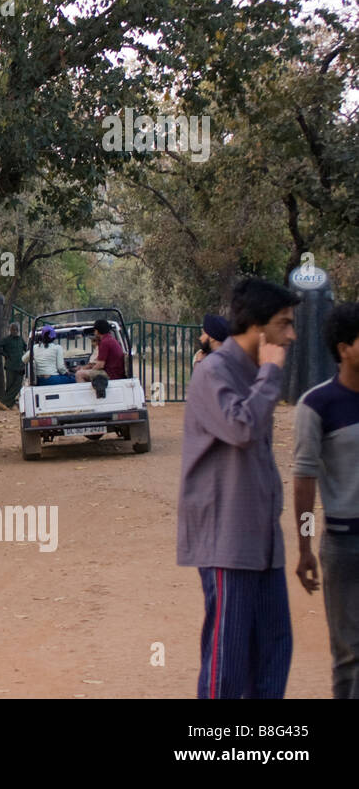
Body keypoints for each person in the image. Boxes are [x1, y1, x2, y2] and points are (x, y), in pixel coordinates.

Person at [177, 277, 298, 698]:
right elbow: (241, 428)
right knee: (228, 659)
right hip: (226, 540)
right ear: (259, 328)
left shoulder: (253, 373)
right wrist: (269, 375)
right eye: (285, 324)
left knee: (274, 646)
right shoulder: (215, 372)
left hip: (263, 540)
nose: (292, 334)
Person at [293, 302, 359, 698]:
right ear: (344, 348)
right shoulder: (316, 405)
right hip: (345, 546)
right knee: (350, 654)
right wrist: (304, 548)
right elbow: (304, 479)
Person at [74, 319, 127, 384]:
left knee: (79, 374)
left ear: (97, 331)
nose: (94, 332)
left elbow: (100, 365)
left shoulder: (104, 342)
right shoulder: (110, 339)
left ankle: (84, 394)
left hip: (111, 375)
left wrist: (90, 370)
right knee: (84, 372)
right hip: (116, 373)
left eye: (95, 330)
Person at [0, 322, 27, 410]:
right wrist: (5, 354)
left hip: (20, 366)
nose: (15, 331)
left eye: (16, 330)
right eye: (13, 329)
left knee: (18, 385)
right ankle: (9, 404)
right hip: (10, 366)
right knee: (10, 385)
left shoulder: (20, 339)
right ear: (10, 330)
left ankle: (3, 402)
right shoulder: (6, 339)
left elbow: (27, 348)